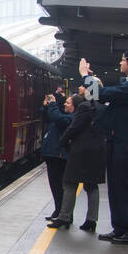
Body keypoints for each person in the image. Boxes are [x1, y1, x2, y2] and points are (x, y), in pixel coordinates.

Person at [81, 51, 128, 244]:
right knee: (117, 187)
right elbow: (101, 96)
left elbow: (100, 94)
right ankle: (121, 227)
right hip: (120, 142)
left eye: (123, 59)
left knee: (127, 188)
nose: (120, 62)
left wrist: (85, 76)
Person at [48, 94, 104, 231]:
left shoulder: (84, 107)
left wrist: (62, 141)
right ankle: (91, 220)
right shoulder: (100, 107)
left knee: (69, 183)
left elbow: (74, 128)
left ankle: (64, 217)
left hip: (82, 151)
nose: (80, 89)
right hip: (97, 149)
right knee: (91, 185)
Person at [39, 92, 73, 219]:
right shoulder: (63, 115)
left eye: (68, 103)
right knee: (55, 185)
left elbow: (58, 119)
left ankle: (64, 214)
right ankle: (59, 210)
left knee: (60, 185)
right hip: (52, 154)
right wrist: (46, 107)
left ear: (74, 106)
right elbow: (48, 118)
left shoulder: (71, 117)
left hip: (59, 155)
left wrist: (53, 105)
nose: (65, 104)